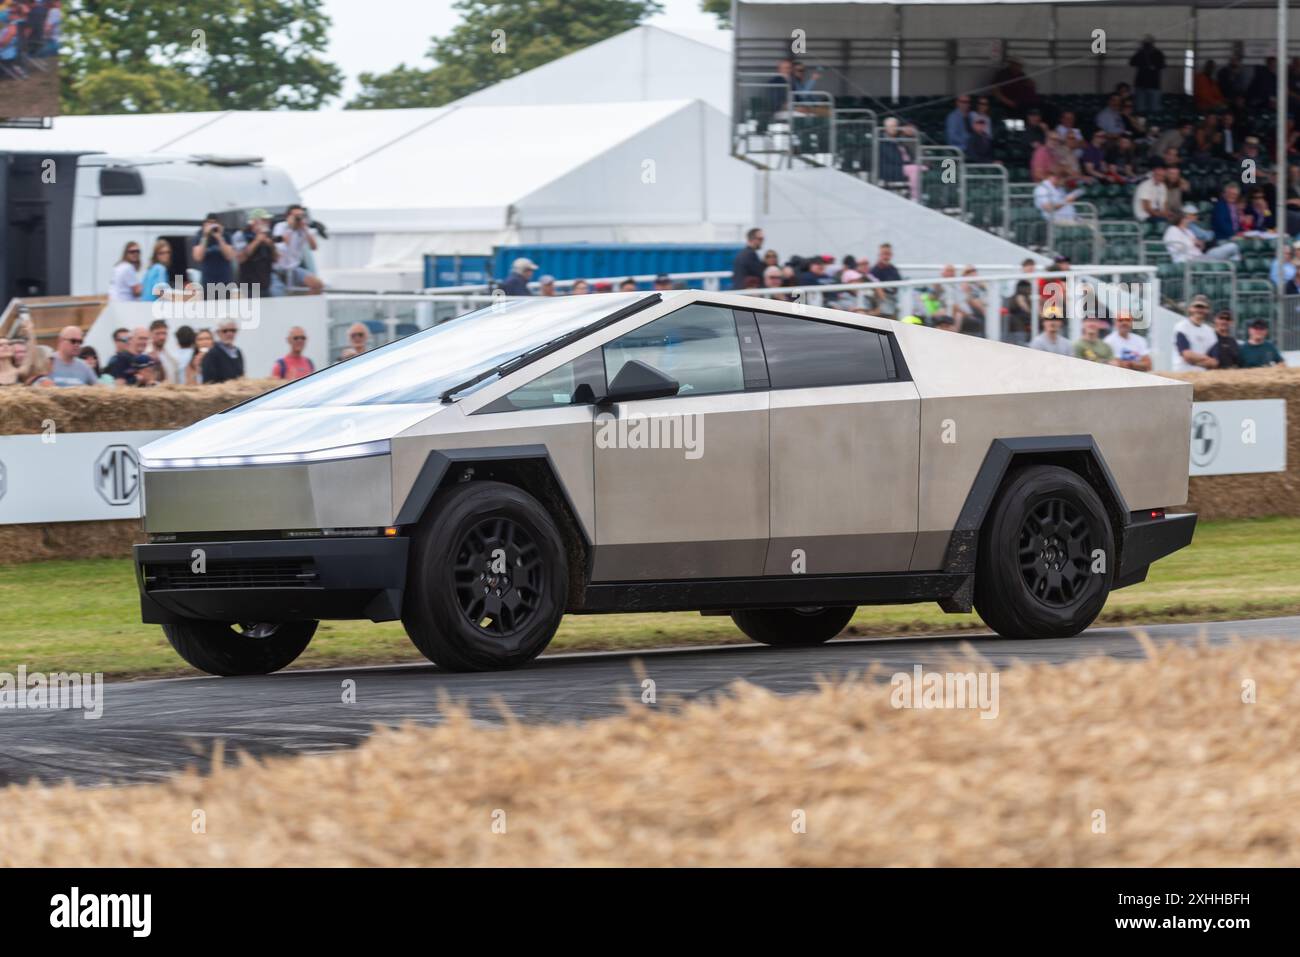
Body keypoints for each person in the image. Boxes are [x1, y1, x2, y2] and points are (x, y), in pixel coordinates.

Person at [272, 205, 325, 294]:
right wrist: (290, 228)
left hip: (293, 268)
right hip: (276, 268)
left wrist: (305, 229)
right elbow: (281, 249)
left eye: (302, 216)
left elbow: (314, 247)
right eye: (296, 216)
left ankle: (305, 302)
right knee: (276, 292)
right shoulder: (280, 227)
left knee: (317, 284)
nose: (299, 219)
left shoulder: (303, 229)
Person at [1164, 207, 1241, 263]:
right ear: (1181, 219)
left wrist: (1200, 245)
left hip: (1201, 257)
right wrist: (1193, 242)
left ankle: (1234, 275)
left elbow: (1199, 247)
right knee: (1232, 247)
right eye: (1186, 218)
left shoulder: (1188, 231)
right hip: (1187, 260)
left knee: (1233, 251)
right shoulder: (1172, 230)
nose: (1188, 220)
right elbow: (1179, 247)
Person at [233, 208, 277, 297]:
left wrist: (271, 245)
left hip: (266, 286)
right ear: (253, 222)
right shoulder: (241, 235)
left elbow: (276, 259)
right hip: (248, 287)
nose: (267, 223)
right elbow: (241, 258)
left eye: (268, 220)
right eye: (264, 220)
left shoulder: (268, 236)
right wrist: (257, 240)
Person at [1172, 295, 1219, 372]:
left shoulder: (1210, 332)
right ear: (1190, 308)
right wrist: (1206, 358)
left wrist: (1193, 360)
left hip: (1202, 376)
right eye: (1197, 307)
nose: (1199, 310)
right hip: (1182, 373)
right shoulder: (1181, 327)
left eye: (1203, 307)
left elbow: (1214, 362)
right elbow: (1187, 355)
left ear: (1207, 310)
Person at [191, 216, 236, 295]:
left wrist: (219, 238)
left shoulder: (226, 236)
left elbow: (229, 256)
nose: (212, 226)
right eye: (210, 223)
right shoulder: (200, 237)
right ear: (204, 225)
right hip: (207, 282)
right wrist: (205, 236)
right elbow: (198, 257)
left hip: (225, 281)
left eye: (214, 223)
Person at [1130, 35, 1166, 114]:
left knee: (1154, 108)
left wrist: (1154, 66)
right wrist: (1139, 53)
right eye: (1145, 43)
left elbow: (1163, 65)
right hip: (1141, 84)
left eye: (1148, 43)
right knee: (1140, 109)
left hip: (1153, 84)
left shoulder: (1158, 53)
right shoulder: (1140, 53)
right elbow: (1132, 62)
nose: (1147, 45)